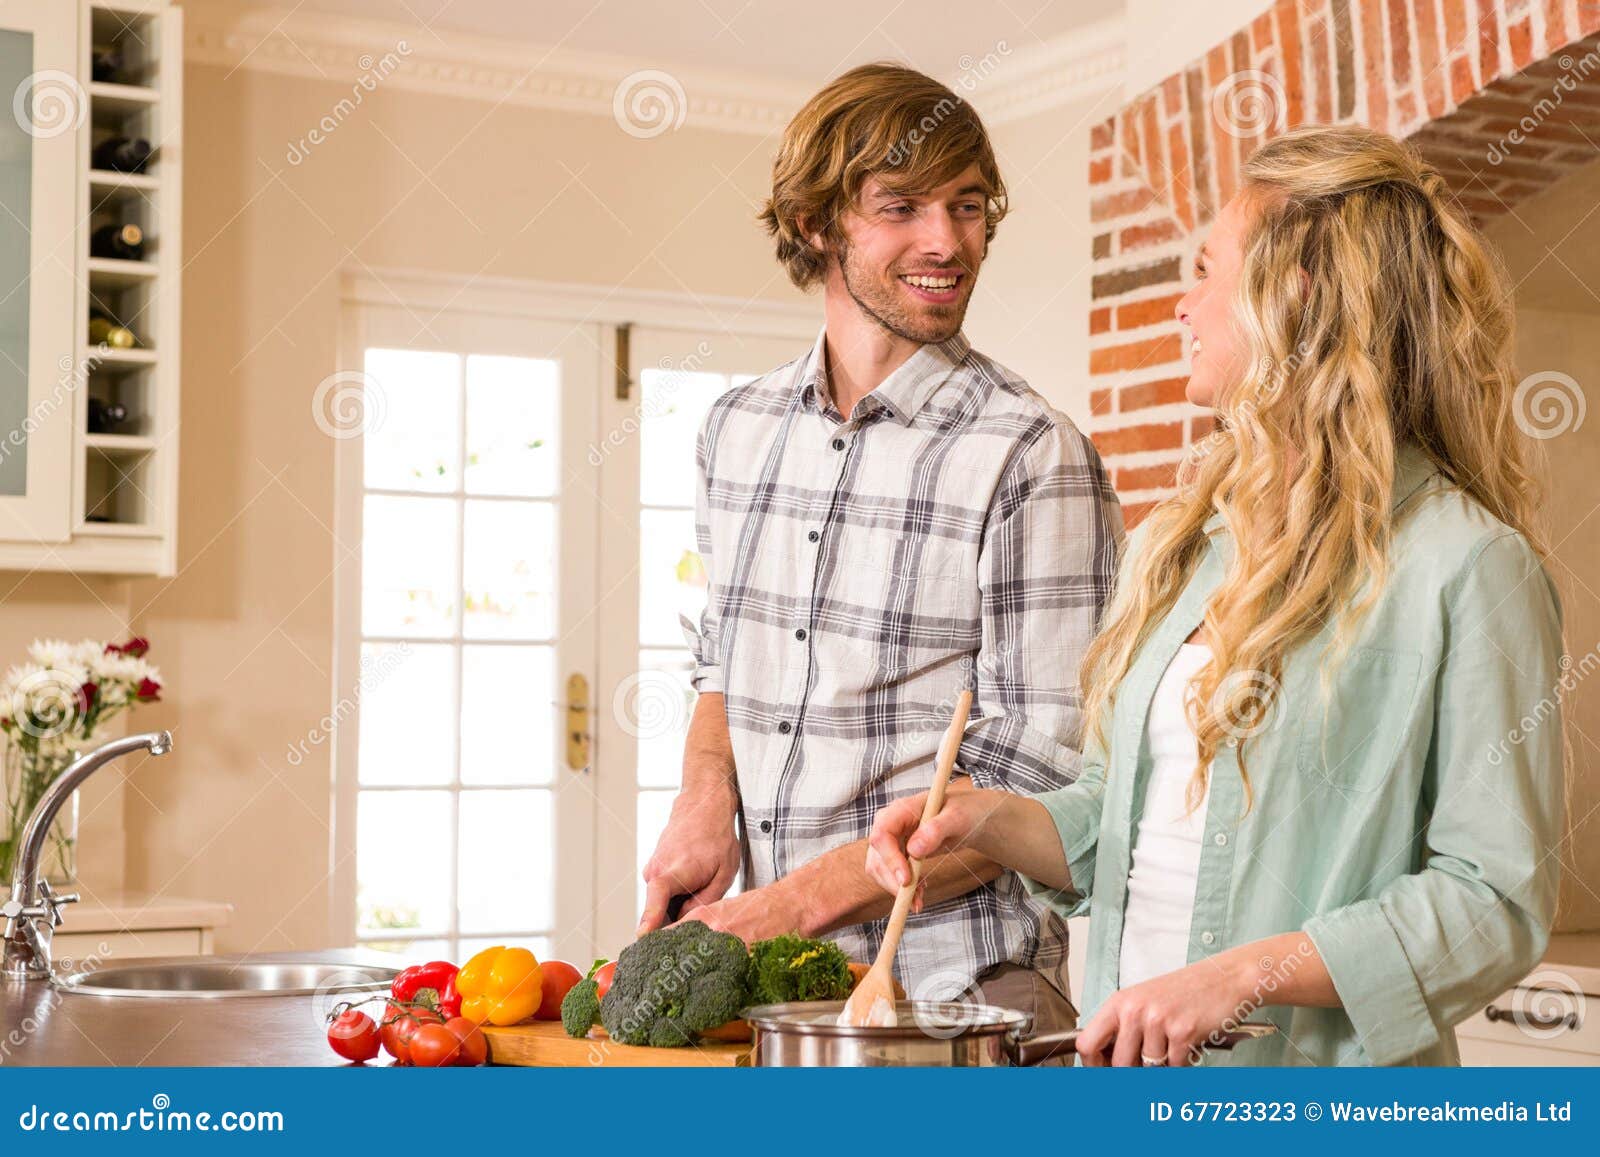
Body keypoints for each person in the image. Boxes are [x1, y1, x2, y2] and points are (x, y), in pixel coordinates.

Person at [866, 124, 1567, 1066]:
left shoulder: (1466, 564)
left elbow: (1494, 900)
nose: (1182, 305)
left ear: (1295, 296)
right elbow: (1120, 818)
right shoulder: (1179, 545)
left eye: (1206, 272)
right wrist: (984, 817)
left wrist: (1238, 976)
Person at [635, 63, 1122, 1034]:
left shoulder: (1030, 452)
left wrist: (780, 908)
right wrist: (703, 794)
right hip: (777, 991)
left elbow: (1038, 778)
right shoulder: (737, 428)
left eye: (967, 205)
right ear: (816, 223)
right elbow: (726, 653)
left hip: (961, 999)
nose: (946, 241)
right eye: (901, 207)